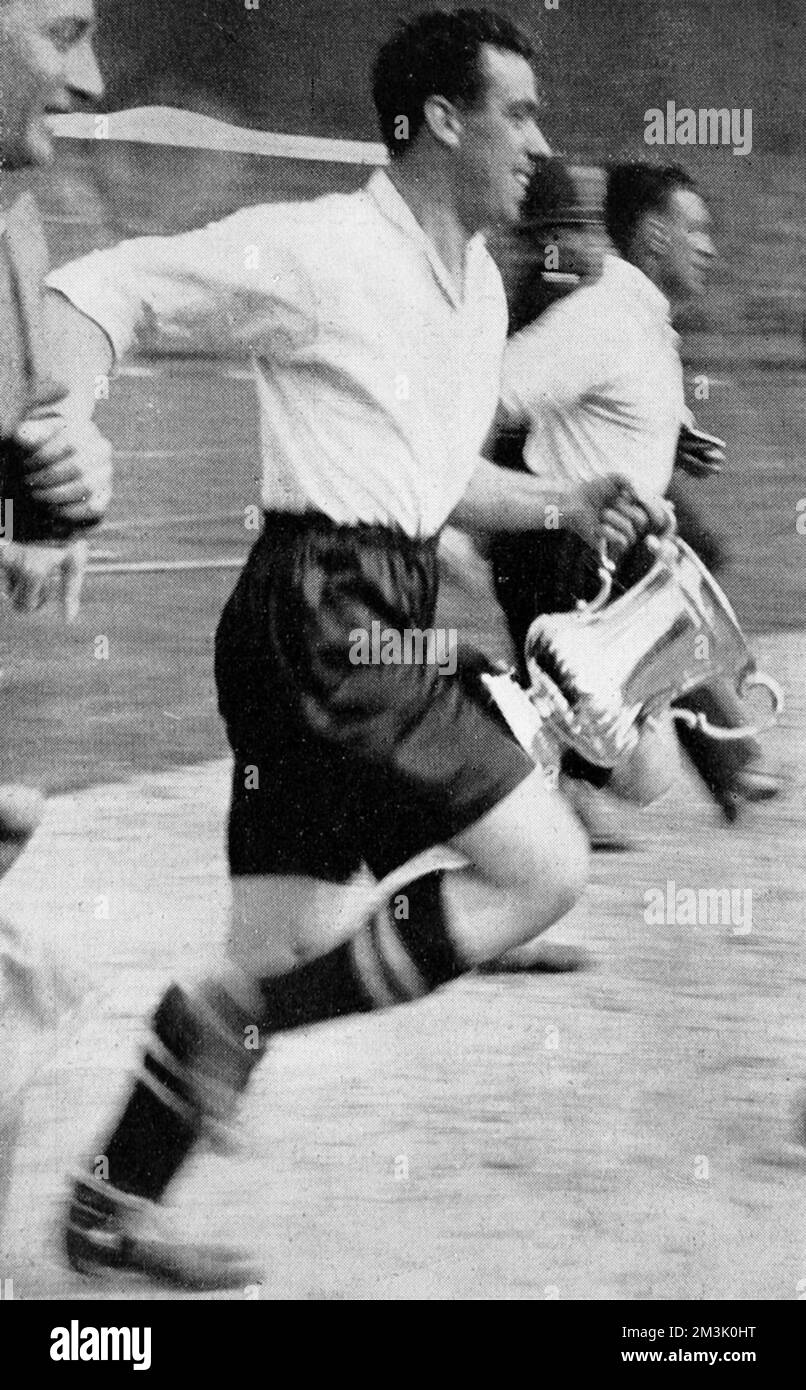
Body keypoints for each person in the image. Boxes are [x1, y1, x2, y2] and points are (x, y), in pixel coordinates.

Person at [37, 8, 668, 1289]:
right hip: (319, 615)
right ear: (444, 120)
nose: (538, 145)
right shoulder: (318, 247)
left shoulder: (480, 287)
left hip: (351, 611)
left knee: (274, 946)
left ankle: (108, 1206)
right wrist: (59, 438)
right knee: (540, 865)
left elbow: (431, 490)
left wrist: (568, 499)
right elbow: (100, 286)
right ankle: (235, 1028)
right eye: (521, 113)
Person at [495, 160, 783, 826]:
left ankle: (544, 761)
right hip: (559, 554)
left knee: (642, 768)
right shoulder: (604, 318)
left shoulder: (642, 321)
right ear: (655, 239)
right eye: (697, 230)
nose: (711, 247)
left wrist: (674, 435)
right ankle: (460, 733)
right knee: (622, 760)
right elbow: (498, 391)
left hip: (603, 552)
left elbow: (615, 394)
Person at [0, 0, 111, 1233]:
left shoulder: (16, 233)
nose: (90, 78)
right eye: (62, 33)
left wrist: (56, 495)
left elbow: (34, 437)